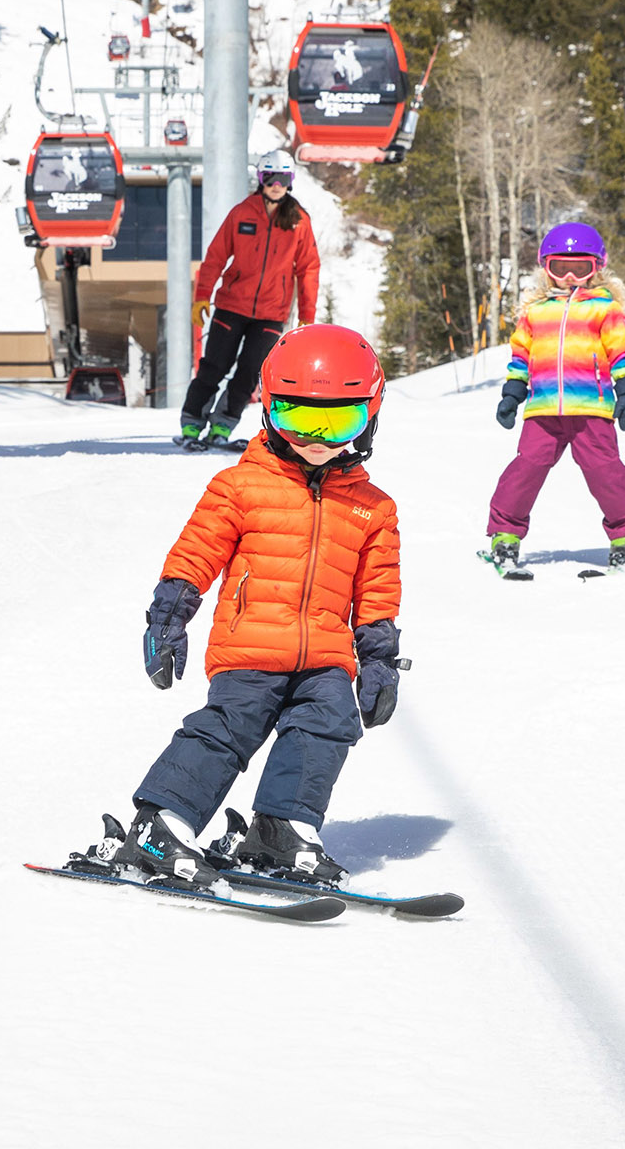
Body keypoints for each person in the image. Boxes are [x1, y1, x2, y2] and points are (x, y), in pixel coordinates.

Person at [91, 324, 403, 889]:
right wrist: (168, 617)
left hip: (326, 655)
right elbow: (194, 554)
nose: (316, 438)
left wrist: (379, 659)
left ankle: (283, 829)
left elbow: (377, 589)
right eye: (297, 418)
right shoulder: (238, 486)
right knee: (229, 729)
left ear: (370, 416)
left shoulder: (374, 508)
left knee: (329, 724)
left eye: (338, 422)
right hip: (250, 646)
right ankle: (160, 825)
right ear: (269, 411)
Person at [485, 222, 625, 568]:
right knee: (525, 469)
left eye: (580, 269)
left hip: (592, 407)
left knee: (605, 471)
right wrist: (512, 394)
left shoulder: (604, 309)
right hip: (543, 409)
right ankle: (504, 534)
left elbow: (621, 352)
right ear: (546, 269)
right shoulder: (535, 311)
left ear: (597, 268)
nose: (570, 277)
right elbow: (521, 357)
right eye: (560, 268)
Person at [178, 150, 320, 449]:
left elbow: (308, 268)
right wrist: (202, 296)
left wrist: (307, 314)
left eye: (282, 178)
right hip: (232, 305)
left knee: (249, 374)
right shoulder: (242, 213)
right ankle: (192, 423)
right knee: (214, 367)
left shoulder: (299, 221)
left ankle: (222, 426)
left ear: (290, 181)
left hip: (272, 313)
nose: (276, 185)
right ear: (261, 178)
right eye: (270, 177)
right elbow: (215, 257)